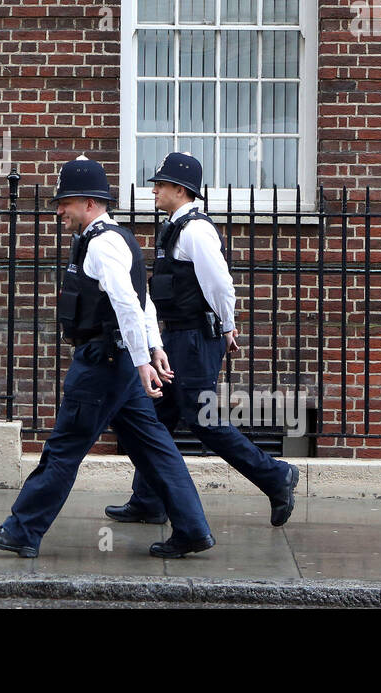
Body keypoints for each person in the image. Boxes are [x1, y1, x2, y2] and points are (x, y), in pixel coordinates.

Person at [0, 156, 215, 559]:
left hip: (103, 365)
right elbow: (144, 302)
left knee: (64, 447)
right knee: (155, 449)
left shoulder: (102, 245)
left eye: (64, 202)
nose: (59, 211)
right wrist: (152, 348)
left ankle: (23, 530)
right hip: (119, 364)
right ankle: (192, 528)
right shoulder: (113, 238)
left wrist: (143, 359)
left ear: (88, 202)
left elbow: (126, 303)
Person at [104, 152, 299, 529]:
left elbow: (220, 283)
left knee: (203, 419)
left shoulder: (196, 230)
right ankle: (148, 500)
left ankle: (276, 476)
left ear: (181, 189)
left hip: (195, 339)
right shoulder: (174, 227)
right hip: (178, 337)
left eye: (160, 184)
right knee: (155, 417)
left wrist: (228, 326)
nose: (154, 190)